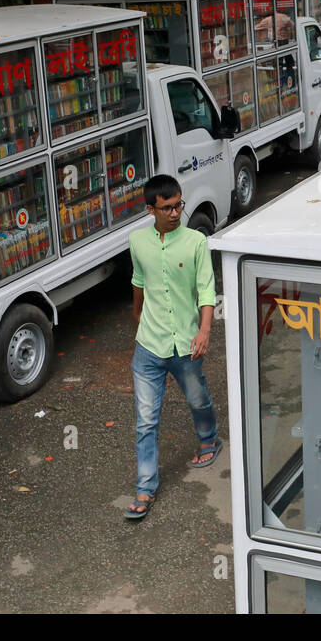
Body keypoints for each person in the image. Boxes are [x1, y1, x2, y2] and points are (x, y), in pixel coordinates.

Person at [124, 174, 220, 521]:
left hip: (185, 344)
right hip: (149, 346)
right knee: (146, 420)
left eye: (178, 204)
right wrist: (138, 317)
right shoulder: (137, 241)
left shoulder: (195, 242)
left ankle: (209, 439)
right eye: (167, 208)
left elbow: (206, 290)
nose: (176, 212)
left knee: (198, 398)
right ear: (150, 209)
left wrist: (204, 330)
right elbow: (138, 281)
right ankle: (145, 487)